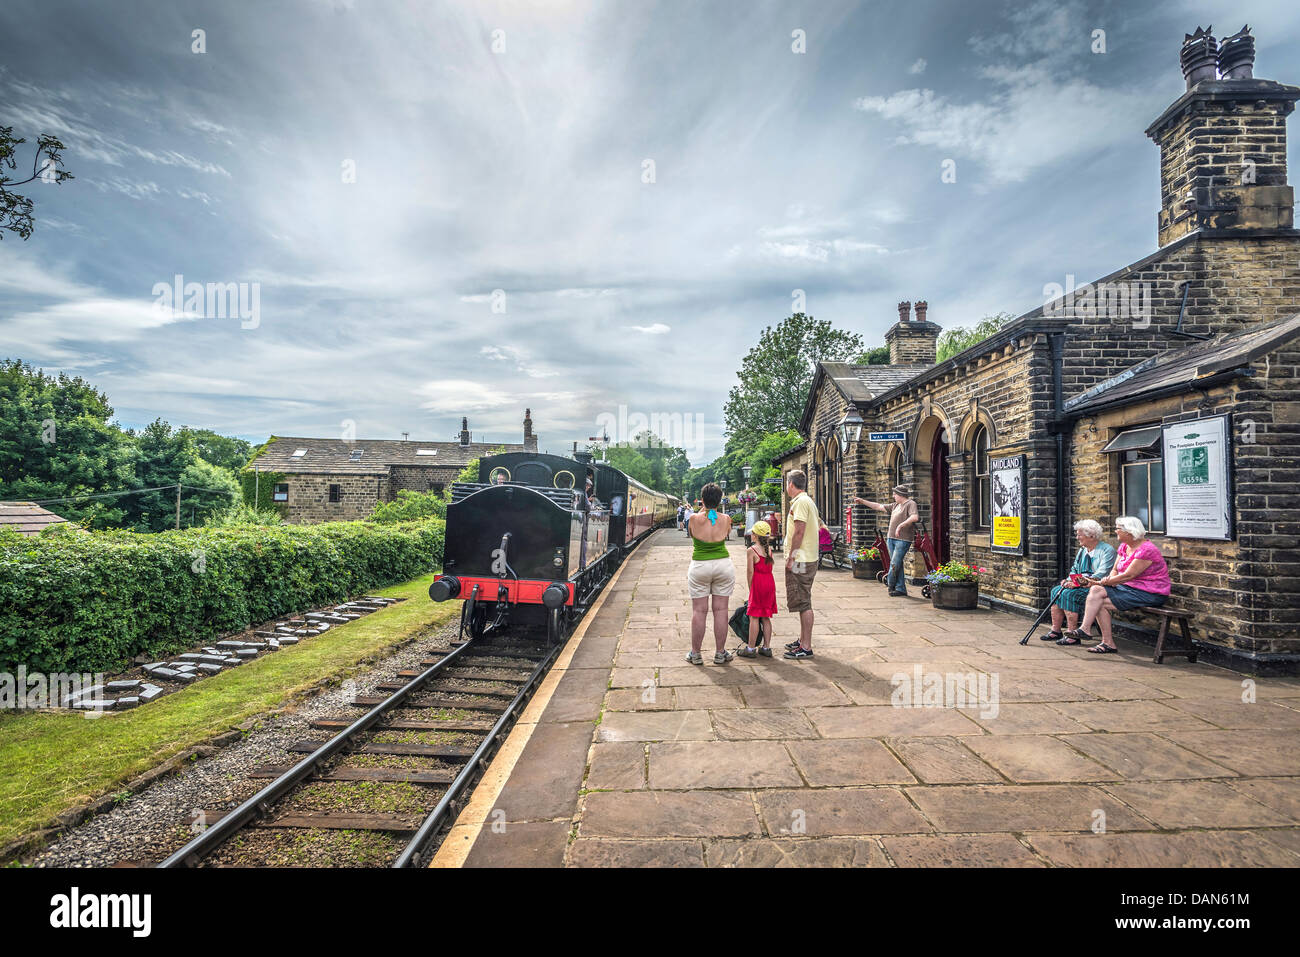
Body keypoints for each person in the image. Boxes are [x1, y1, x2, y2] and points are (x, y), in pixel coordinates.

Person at [1066, 515, 1171, 654]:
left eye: (1118, 529)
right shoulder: (1124, 546)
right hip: (1128, 588)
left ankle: (1102, 639)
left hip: (1149, 593)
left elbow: (1129, 575)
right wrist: (1108, 581)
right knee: (1097, 591)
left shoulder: (1147, 550)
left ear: (1129, 532)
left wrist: (1107, 581)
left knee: (1098, 599)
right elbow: (1115, 569)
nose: (1115, 531)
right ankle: (1091, 633)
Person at [685, 482, 735, 665]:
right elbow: (725, 533)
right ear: (720, 499)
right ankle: (720, 653)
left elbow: (692, 533)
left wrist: (704, 512)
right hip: (723, 565)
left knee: (699, 610)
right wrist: (712, 514)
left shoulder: (693, 519)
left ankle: (696, 654)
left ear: (702, 499)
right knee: (721, 610)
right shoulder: (726, 519)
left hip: (699, 566)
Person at [1047, 520, 1117, 644]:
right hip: (1081, 584)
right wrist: (1068, 580)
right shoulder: (1083, 550)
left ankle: (1072, 635)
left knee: (1069, 594)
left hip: (1097, 588)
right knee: (1056, 590)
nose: (1077, 537)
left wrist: (1077, 583)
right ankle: (1056, 630)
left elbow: (1100, 575)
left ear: (1091, 535)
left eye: (1080, 534)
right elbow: (1075, 569)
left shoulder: (1107, 550)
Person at [854, 485, 918, 597]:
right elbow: (878, 506)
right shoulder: (895, 505)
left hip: (903, 539)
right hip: (891, 538)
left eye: (895, 494)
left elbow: (914, 517)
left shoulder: (910, 504)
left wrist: (900, 526)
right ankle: (901, 589)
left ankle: (890, 584)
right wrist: (863, 501)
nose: (893, 496)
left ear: (900, 494)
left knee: (894, 563)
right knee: (897, 564)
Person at [782, 469, 819, 659]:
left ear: (790, 484)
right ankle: (803, 639)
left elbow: (799, 532)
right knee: (802, 599)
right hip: (806, 557)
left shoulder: (801, 503)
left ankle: (806, 646)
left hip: (801, 560)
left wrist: (791, 557)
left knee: (803, 601)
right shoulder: (806, 501)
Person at [737, 520, 777, 658]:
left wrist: (750, 588)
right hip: (770, 583)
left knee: (754, 616)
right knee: (766, 616)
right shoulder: (769, 550)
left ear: (755, 535)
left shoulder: (751, 550)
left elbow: (750, 572)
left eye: (752, 532)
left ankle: (750, 648)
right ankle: (766, 647)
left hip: (758, 584)